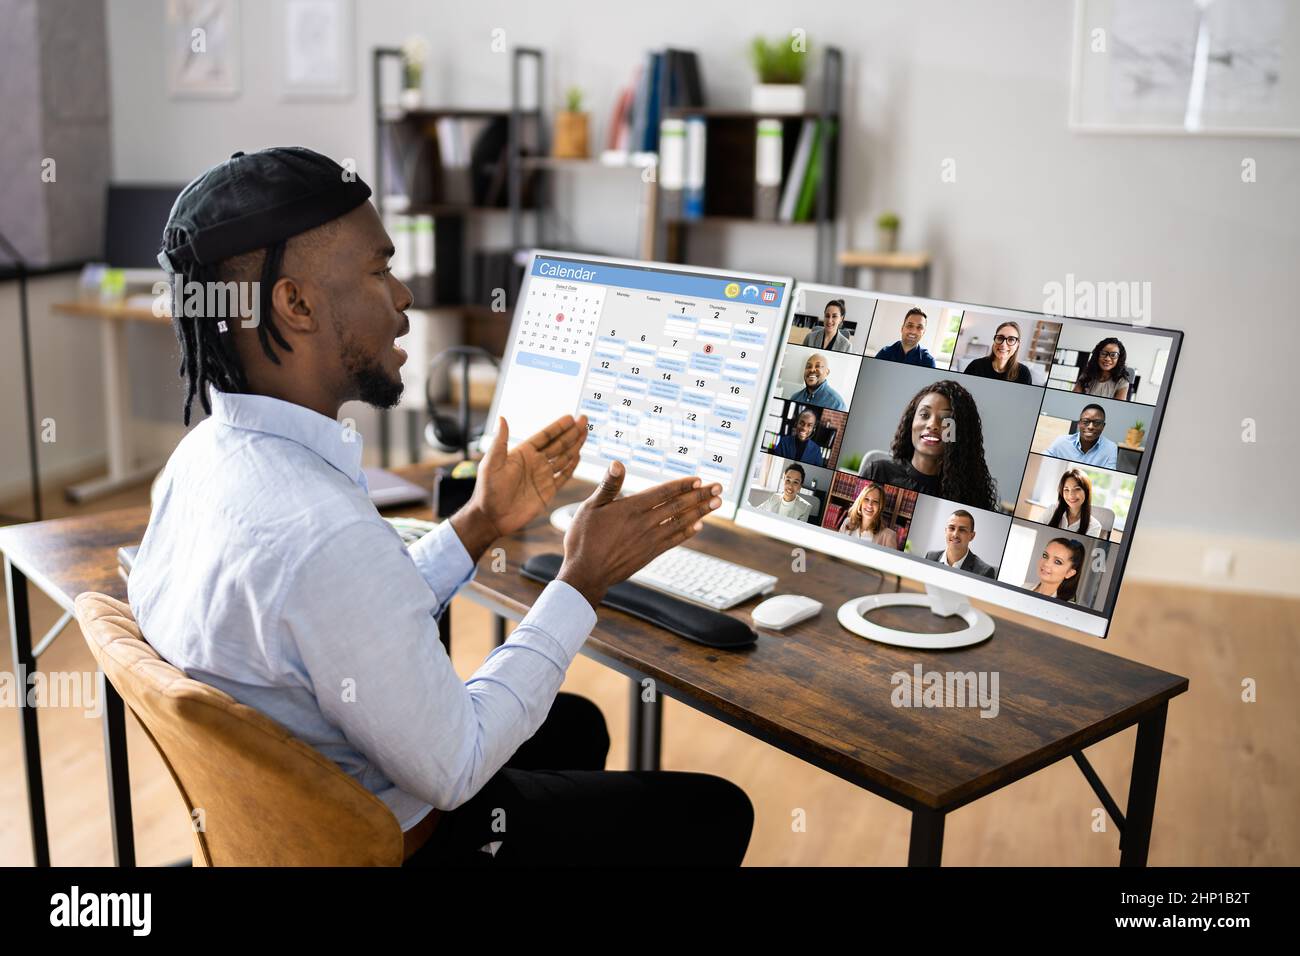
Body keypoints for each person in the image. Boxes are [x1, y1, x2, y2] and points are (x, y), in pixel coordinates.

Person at [129, 147, 752, 867]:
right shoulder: (319, 532)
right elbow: (456, 767)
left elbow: (348, 615)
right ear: (295, 304)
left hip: (293, 815)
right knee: (715, 811)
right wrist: (582, 577)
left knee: (573, 724)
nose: (403, 296)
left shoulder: (201, 461)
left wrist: (479, 521)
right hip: (402, 843)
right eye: (378, 270)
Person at [860, 379, 1000, 511]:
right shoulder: (878, 472)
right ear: (911, 422)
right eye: (924, 415)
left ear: (960, 433)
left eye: (946, 419)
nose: (932, 425)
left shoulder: (969, 496)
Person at [923, 509, 995, 578]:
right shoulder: (930, 557)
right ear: (946, 531)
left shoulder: (984, 572)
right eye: (951, 528)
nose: (955, 534)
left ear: (972, 536)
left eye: (962, 530)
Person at [1045, 403, 1118, 469]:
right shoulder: (1061, 441)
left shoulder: (1111, 448)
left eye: (1097, 423)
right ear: (1079, 424)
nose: (1090, 427)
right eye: (1086, 421)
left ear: (1103, 426)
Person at [962, 321, 1033, 385]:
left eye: (1011, 340)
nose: (1003, 344)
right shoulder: (975, 366)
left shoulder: (1024, 373)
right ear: (994, 340)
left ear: (1017, 345)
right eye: (1000, 338)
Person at [836, 481, 899, 548]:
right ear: (860, 502)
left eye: (875, 501)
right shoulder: (847, 523)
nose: (870, 505)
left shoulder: (889, 536)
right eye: (866, 499)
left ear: (880, 507)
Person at [1045, 467, 1103, 537]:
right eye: (1066, 489)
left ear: (1086, 492)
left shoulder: (1094, 526)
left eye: (1077, 489)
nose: (1071, 495)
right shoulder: (1052, 510)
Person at [1028, 537, 1086, 603]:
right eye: (1045, 556)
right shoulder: (1025, 586)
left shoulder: (1067, 608)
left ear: (1069, 573)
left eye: (1057, 562)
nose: (1046, 563)